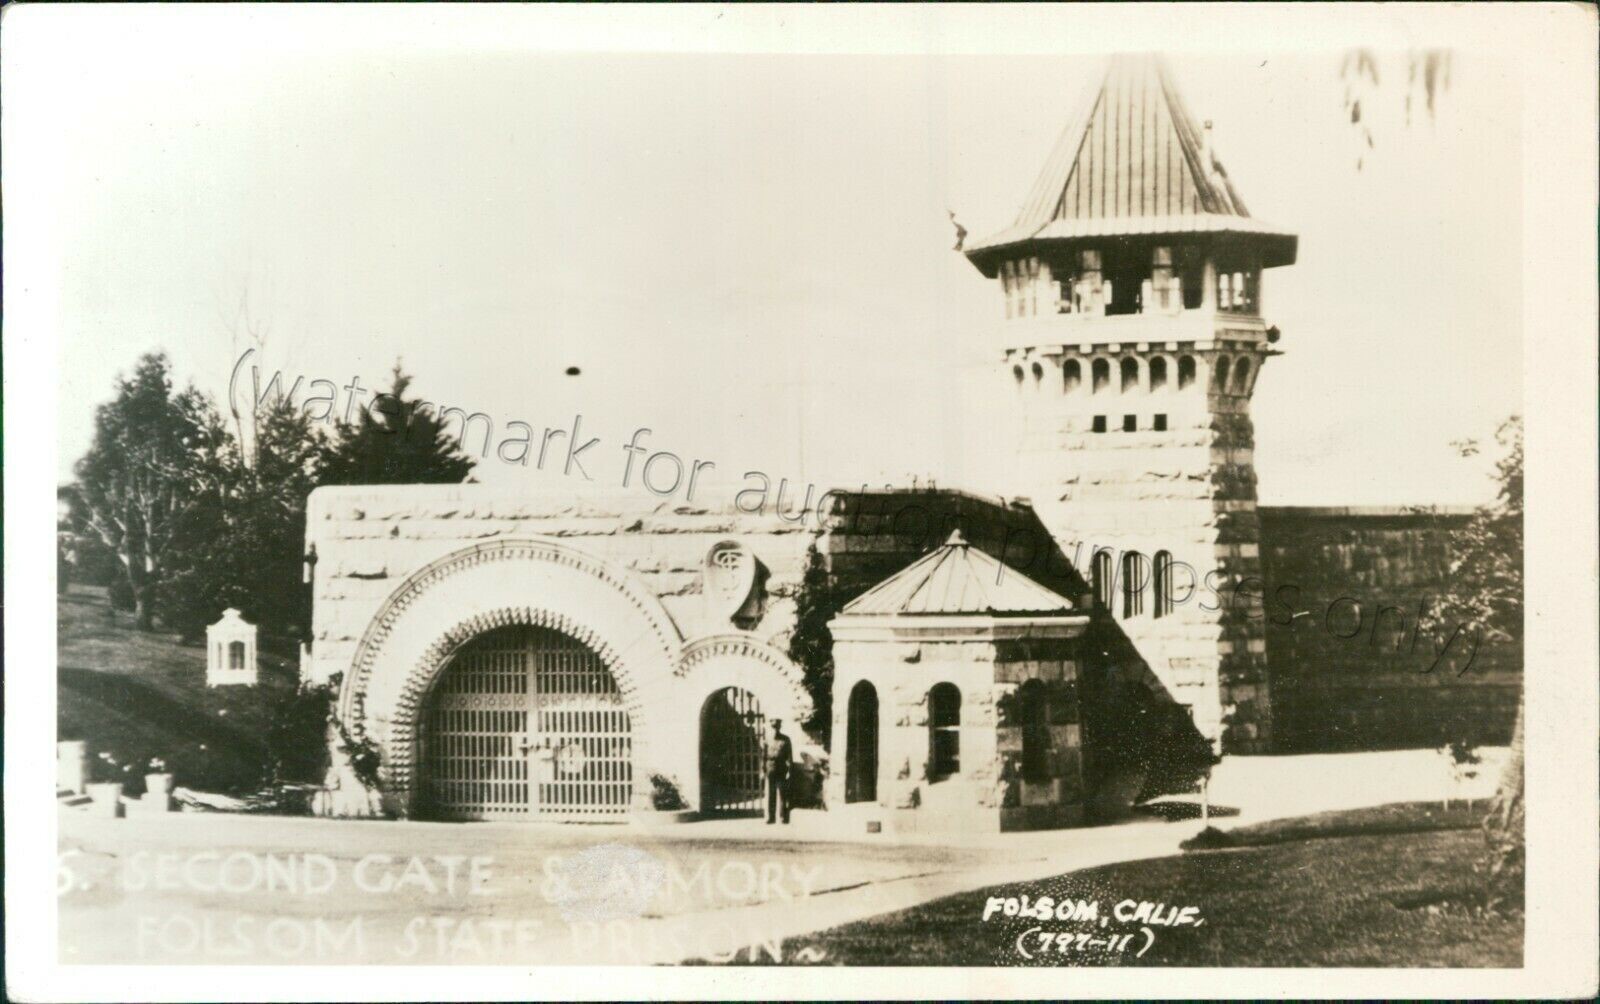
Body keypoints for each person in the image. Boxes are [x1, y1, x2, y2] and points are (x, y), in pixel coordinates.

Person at [764, 718, 793, 824]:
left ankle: (783, 817)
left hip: (781, 768)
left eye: (777, 727)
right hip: (770, 768)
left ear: (780, 727)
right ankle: (771, 817)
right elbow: (763, 756)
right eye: (773, 727)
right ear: (771, 728)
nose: (775, 729)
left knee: (782, 793)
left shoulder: (785, 739)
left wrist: (789, 770)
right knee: (771, 794)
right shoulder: (767, 740)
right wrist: (763, 770)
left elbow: (789, 757)